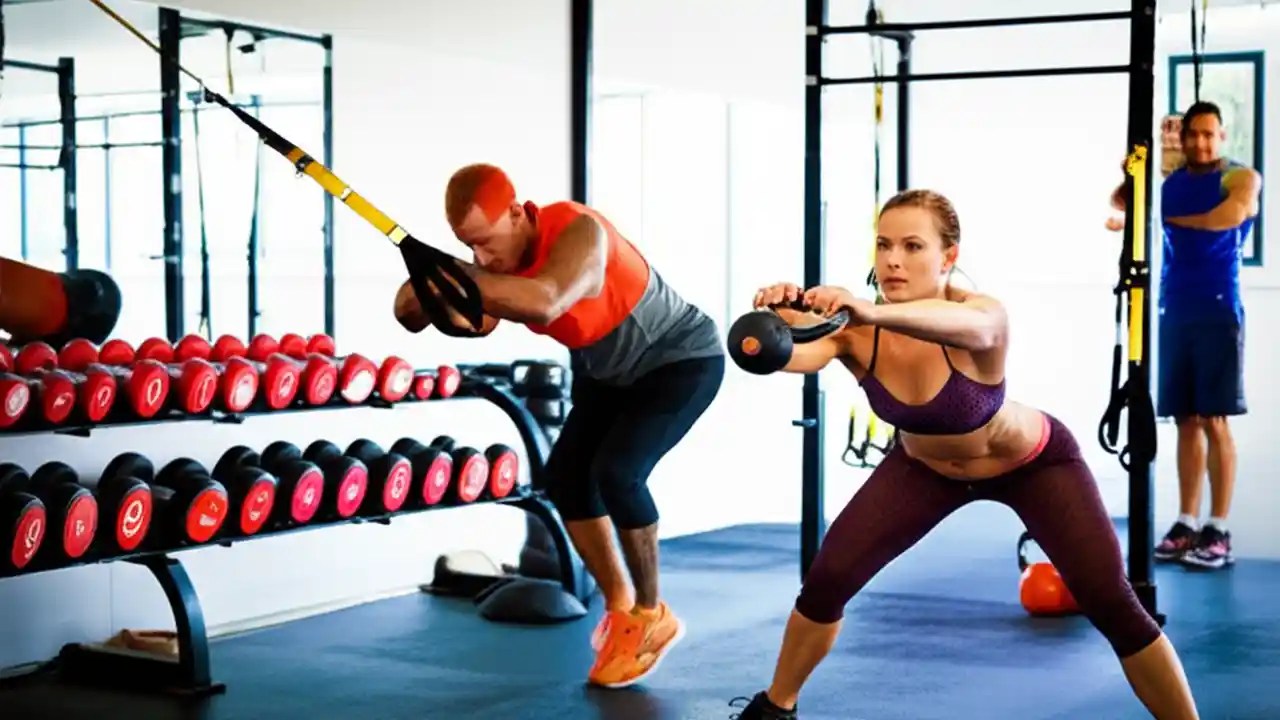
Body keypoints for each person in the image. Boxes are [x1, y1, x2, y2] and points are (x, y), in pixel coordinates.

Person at [729, 189, 1200, 719]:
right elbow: (788, 355)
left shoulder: (981, 314)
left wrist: (866, 311)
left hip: (1033, 465)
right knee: (827, 581)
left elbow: (974, 327)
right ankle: (775, 709)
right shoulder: (856, 331)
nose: (892, 260)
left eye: (912, 246)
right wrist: (777, 320)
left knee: (1113, 603)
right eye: (883, 245)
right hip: (923, 469)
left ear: (948, 257)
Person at [394, 163, 725, 688]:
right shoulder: (493, 263)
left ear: (520, 213)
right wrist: (429, 282)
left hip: (679, 360)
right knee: (567, 478)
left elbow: (548, 299)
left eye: (486, 243)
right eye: (468, 247)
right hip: (607, 373)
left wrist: (468, 277)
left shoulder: (578, 232)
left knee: (620, 474)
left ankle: (651, 613)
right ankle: (619, 607)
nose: (482, 257)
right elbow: (420, 313)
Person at [1111, 101, 1262, 570]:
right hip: (1173, 307)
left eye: (1209, 134)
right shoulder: (1171, 182)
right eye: (1192, 134)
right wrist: (1138, 165)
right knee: (1185, 421)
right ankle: (1186, 521)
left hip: (1219, 309)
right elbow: (1121, 201)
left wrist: (1170, 220)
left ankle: (1218, 528)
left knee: (1215, 419)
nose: (1201, 142)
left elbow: (1228, 218)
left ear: (1222, 135)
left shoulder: (1239, 177)